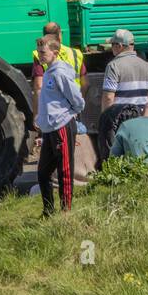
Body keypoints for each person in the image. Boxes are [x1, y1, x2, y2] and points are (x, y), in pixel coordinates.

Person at [36, 36, 85, 215]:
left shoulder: (59, 72)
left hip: (61, 126)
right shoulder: (48, 71)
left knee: (64, 170)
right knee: (43, 172)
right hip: (49, 129)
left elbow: (76, 97)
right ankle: (48, 210)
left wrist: (70, 113)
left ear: (55, 53)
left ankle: (66, 211)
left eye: (43, 52)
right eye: (39, 51)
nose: (40, 55)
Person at [97, 28, 148, 162]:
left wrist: (105, 119)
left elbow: (108, 97)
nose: (111, 48)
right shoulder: (147, 66)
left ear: (119, 46)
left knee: (117, 156)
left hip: (120, 118)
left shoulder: (113, 66)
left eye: (113, 45)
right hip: (141, 116)